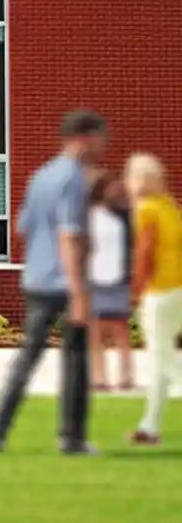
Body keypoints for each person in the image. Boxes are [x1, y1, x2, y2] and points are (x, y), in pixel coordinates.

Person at [0, 110, 107, 455]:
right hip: (63, 282)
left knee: (28, 355)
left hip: (36, 278)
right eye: (99, 137)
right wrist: (79, 289)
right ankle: (72, 438)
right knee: (76, 359)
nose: (103, 144)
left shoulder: (41, 176)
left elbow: (23, 226)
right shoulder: (72, 178)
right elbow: (68, 235)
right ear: (82, 138)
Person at [125, 153, 182, 446]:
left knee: (164, 358)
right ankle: (150, 426)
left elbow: (144, 254)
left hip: (159, 292)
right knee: (160, 363)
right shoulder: (169, 206)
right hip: (179, 290)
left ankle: (150, 426)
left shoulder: (146, 209)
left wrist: (134, 292)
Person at [86, 171, 135, 391]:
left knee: (120, 328)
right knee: (96, 331)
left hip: (118, 278)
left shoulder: (124, 216)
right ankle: (99, 377)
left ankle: (126, 376)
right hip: (93, 279)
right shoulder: (86, 216)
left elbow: (131, 246)